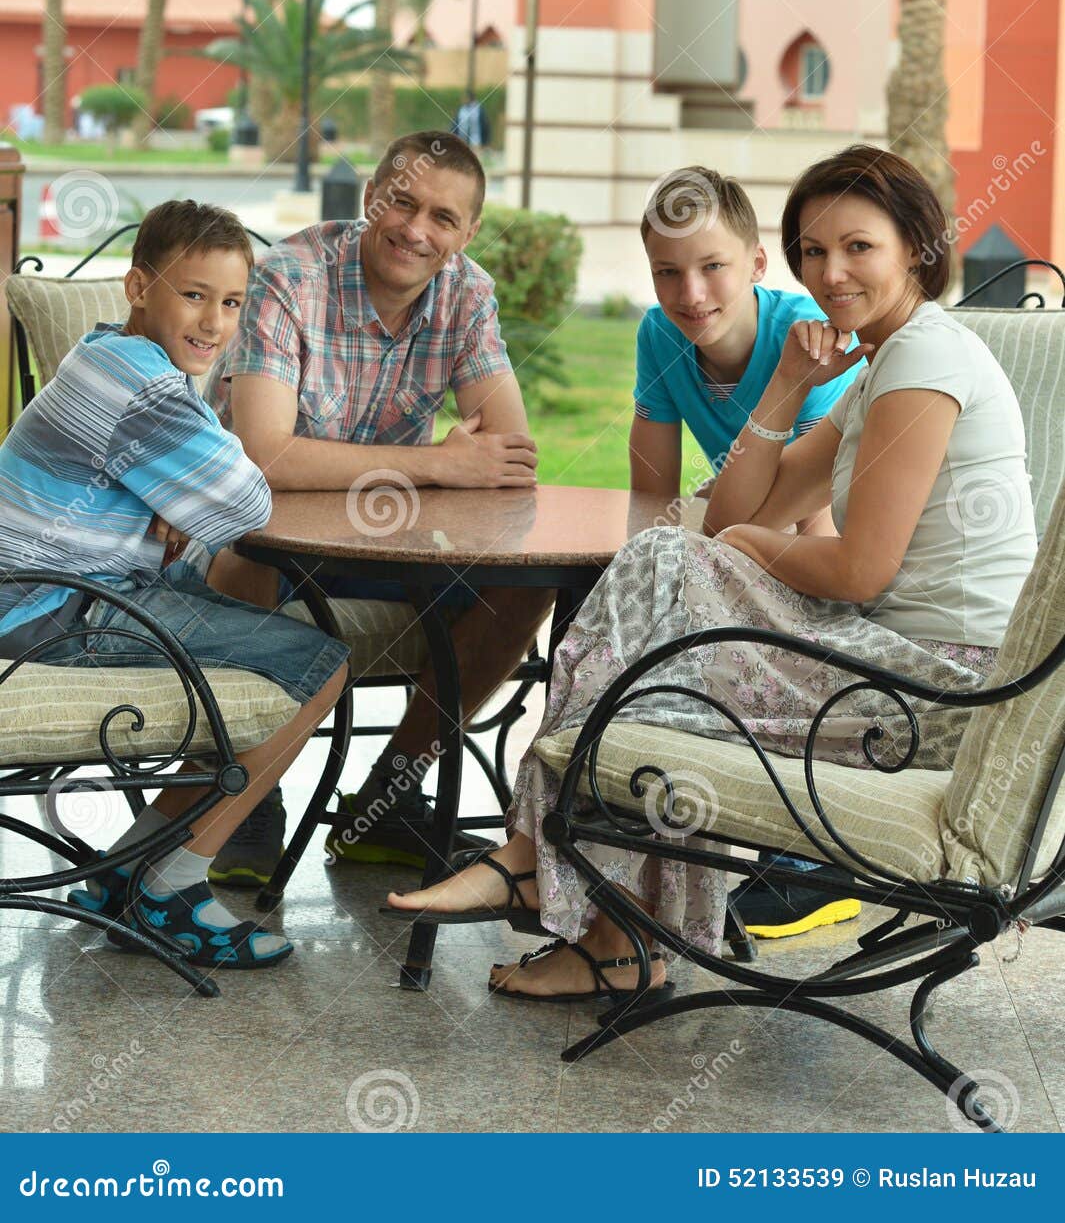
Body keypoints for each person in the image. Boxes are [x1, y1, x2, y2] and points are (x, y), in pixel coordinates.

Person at [385, 145, 1038, 1004]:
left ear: (917, 247)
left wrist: (746, 546)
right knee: (657, 677)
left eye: (858, 247)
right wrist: (786, 386)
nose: (830, 273)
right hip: (896, 670)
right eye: (813, 250)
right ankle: (612, 936)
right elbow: (739, 507)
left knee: (665, 591)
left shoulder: (923, 360)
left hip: (948, 695)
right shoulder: (884, 362)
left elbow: (851, 567)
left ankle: (547, 864)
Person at [0, 200, 350, 970]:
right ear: (138, 287)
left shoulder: (108, 354)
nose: (214, 322)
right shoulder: (145, 387)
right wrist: (187, 487)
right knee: (321, 666)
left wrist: (179, 489)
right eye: (194, 295)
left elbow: (214, 499)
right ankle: (169, 884)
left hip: (57, 592)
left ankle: (130, 869)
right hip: (51, 609)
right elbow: (246, 503)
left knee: (261, 626)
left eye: (231, 303)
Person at [204, 130, 552, 886]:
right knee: (240, 554)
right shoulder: (290, 276)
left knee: (526, 584)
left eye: (442, 217)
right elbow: (263, 457)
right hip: (261, 535)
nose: (415, 230)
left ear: (467, 233)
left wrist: (458, 468)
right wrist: (440, 466)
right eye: (401, 202)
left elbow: (510, 458)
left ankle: (387, 800)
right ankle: (242, 799)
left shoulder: (467, 295)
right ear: (371, 197)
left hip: (384, 542)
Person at [632, 166, 866, 937]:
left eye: (712, 266)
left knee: (724, 605)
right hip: (744, 531)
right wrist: (687, 536)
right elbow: (649, 498)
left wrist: (713, 525)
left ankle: (806, 856)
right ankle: (642, 835)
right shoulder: (659, 335)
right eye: (667, 272)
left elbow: (812, 513)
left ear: (758, 263)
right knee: (644, 596)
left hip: (841, 542)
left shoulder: (808, 340)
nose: (689, 292)